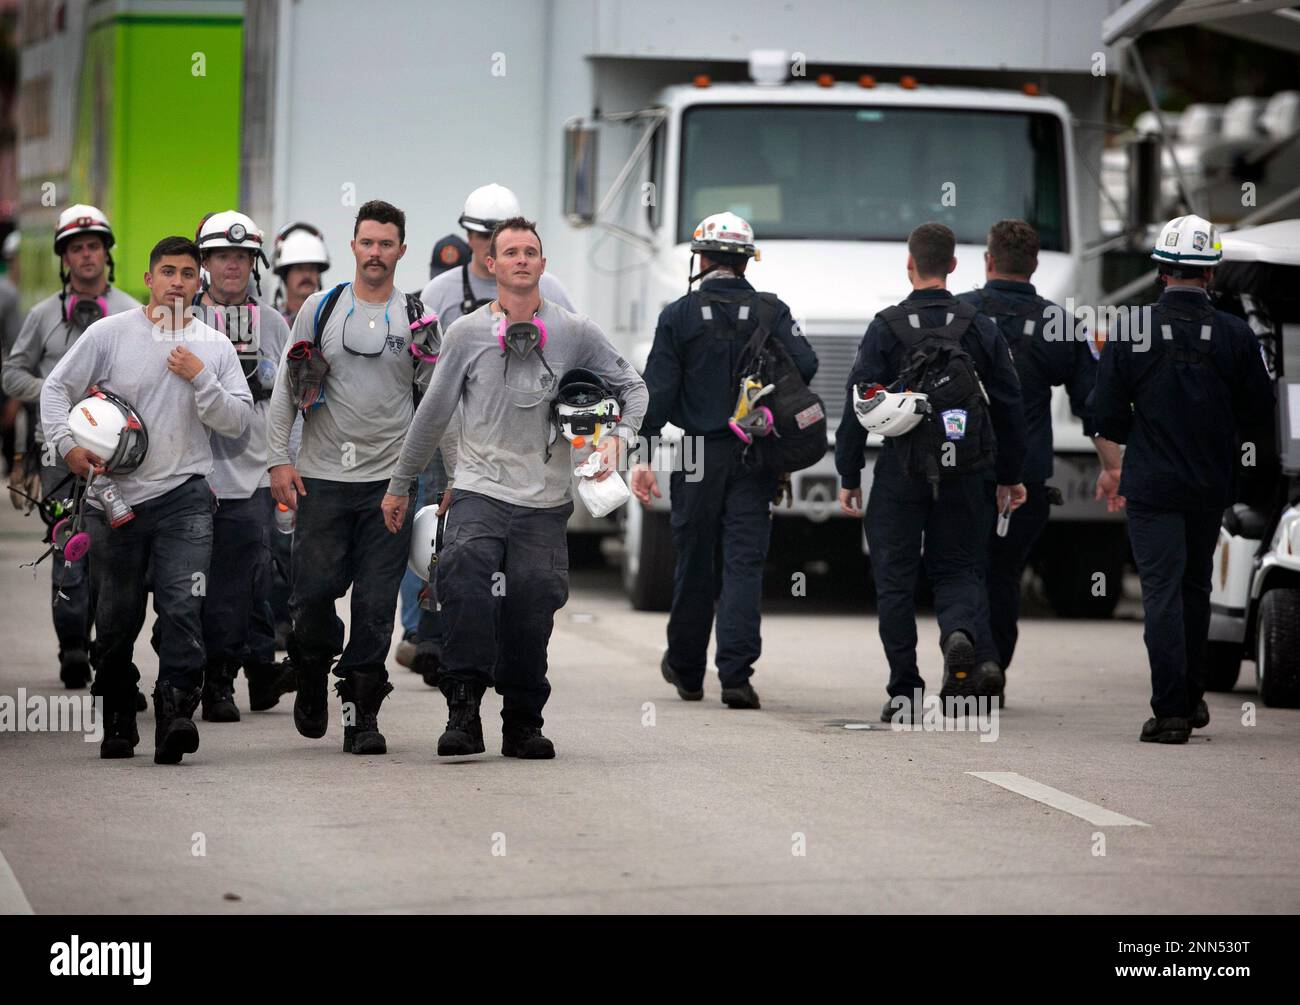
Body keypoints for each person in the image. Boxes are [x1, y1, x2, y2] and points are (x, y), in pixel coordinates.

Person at [381, 216, 647, 760]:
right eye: (511, 252)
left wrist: (619, 441)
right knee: (462, 578)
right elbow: (432, 415)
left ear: (543, 266)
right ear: (491, 264)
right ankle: (463, 712)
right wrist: (400, 485)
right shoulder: (467, 333)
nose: (521, 259)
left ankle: (523, 722)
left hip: (544, 499)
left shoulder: (575, 331)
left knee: (533, 599)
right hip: (479, 489)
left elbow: (634, 388)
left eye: (531, 252)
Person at [40, 235, 253, 762]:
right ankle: (117, 714)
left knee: (184, 607)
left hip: (186, 498)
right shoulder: (109, 333)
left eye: (186, 273)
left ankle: (176, 711)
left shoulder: (215, 346)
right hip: (114, 500)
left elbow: (240, 427)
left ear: (197, 281)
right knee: (116, 615)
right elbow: (54, 390)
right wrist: (66, 446)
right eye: (168, 272)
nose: (177, 281)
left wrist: (201, 378)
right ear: (149, 278)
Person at [1092, 214, 1273, 744]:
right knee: (1194, 588)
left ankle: (1171, 710)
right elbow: (1260, 414)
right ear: (1211, 275)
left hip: (1151, 486)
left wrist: (1122, 455)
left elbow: (1106, 416)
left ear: (1160, 271)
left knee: (1162, 593)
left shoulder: (1131, 330)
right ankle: (1191, 700)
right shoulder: (1238, 336)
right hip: (1209, 486)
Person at [836, 222, 1027, 723]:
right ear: (955, 266)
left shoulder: (886, 325)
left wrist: (849, 472)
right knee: (960, 568)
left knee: (894, 580)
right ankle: (959, 635)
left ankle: (905, 691)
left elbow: (858, 401)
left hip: (902, 469)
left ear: (909, 263)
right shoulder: (979, 325)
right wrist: (1011, 475)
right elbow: (1009, 403)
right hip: (966, 469)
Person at [630, 212, 817, 709]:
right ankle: (736, 677)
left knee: (694, 562)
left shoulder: (679, 315)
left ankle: (688, 672)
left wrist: (643, 456)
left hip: (694, 449)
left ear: (702, 258)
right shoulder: (772, 311)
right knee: (743, 563)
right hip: (755, 451)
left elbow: (658, 393)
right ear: (744, 260)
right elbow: (808, 365)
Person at [267, 199, 430, 756]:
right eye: (368, 242)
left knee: (376, 604)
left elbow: (436, 402)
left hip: (390, 485)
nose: (376, 253)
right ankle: (311, 669)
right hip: (322, 479)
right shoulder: (320, 307)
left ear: (401, 250)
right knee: (312, 594)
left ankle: (361, 713)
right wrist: (277, 461)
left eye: (387, 244)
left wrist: (451, 475)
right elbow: (288, 390)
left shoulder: (418, 316)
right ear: (354, 245)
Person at [398, 186, 577, 683]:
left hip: (525, 447)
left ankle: (497, 647)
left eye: (490, 234)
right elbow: (421, 372)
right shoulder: (440, 293)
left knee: (520, 565)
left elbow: (578, 356)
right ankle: (426, 635)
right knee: (441, 538)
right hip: (450, 438)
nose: (482, 243)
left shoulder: (553, 291)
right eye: (477, 234)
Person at [955, 219, 1102, 704]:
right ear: (1035, 265)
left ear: (989, 261)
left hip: (965, 470)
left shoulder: (961, 315)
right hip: (1026, 478)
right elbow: (1092, 406)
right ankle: (992, 666)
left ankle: (979, 661)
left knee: (964, 568)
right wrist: (1115, 466)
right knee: (1005, 573)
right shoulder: (1059, 324)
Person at [3, 206, 140, 689]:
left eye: (94, 246)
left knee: (113, 554)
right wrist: (59, 392)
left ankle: (109, 652)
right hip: (58, 455)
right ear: (65, 257)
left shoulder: (128, 310)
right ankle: (73, 646)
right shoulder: (42, 316)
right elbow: (12, 373)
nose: (87, 255)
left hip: (115, 459)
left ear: (107, 253)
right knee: (70, 548)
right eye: (77, 248)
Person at [192, 210, 296, 720]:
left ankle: (220, 682)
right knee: (185, 586)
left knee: (238, 586)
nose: (232, 265)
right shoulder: (179, 319)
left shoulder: (275, 324)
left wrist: (288, 465)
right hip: (189, 476)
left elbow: (291, 403)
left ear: (254, 264)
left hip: (254, 477)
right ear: (205, 262)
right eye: (222, 256)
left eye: (242, 257)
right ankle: (183, 675)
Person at [272, 222, 330, 326]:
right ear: (285, 275)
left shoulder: (330, 320)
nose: (307, 275)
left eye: (312, 268)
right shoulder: (270, 321)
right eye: (299, 269)